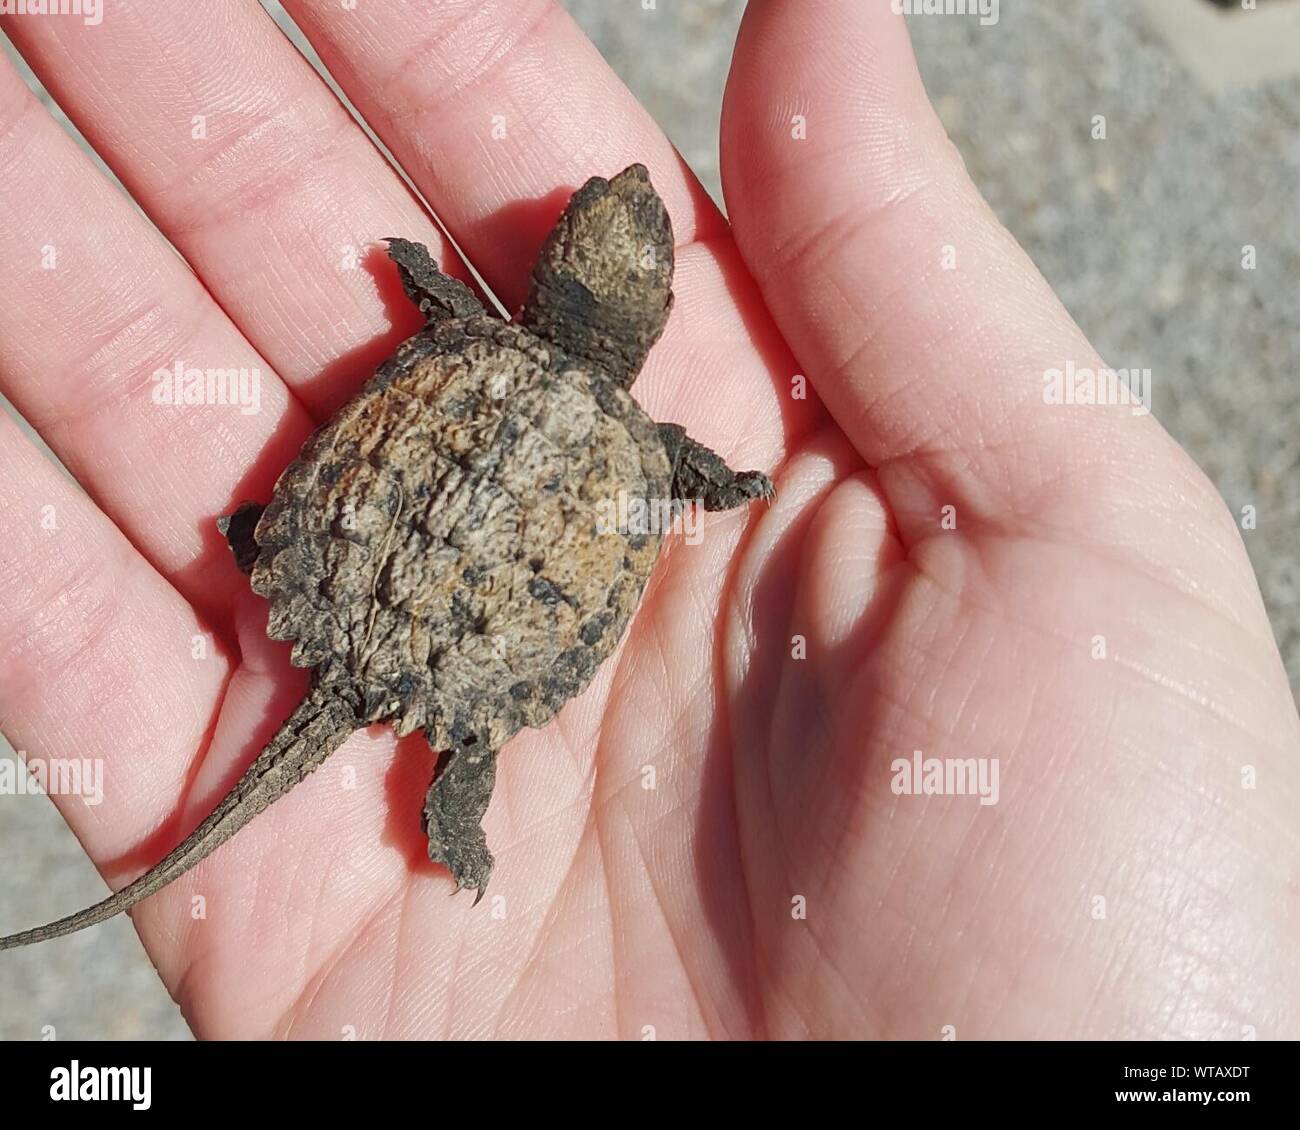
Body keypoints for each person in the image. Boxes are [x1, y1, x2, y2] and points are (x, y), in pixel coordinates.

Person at [0, 0, 1293, 1038]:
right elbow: (696, 471)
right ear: (640, 322)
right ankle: (456, 807)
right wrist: (730, 484)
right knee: (470, 720)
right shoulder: (646, 448)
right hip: (467, 637)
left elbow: (439, 304)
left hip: (350, 563)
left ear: (554, 273)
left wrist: (415, 278)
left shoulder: (481, 338)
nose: (609, 190)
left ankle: (266, 556)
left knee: (304, 540)